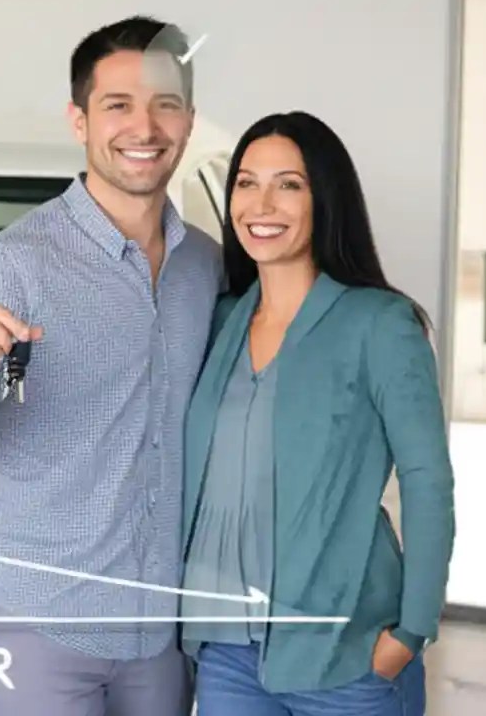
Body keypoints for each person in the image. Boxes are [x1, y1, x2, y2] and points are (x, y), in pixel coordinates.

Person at [0, 15, 223, 716]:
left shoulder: (205, 264)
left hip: (159, 625)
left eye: (165, 105)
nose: (144, 127)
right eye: (118, 105)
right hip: (39, 619)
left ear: (188, 121)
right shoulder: (14, 264)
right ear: (79, 120)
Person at [177, 111, 456, 715]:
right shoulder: (221, 320)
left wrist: (412, 631)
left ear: (325, 199)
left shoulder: (380, 324)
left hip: (346, 653)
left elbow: (427, 480)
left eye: (289, 184)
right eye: (246, 183)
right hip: (227, 653)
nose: (262, 204)